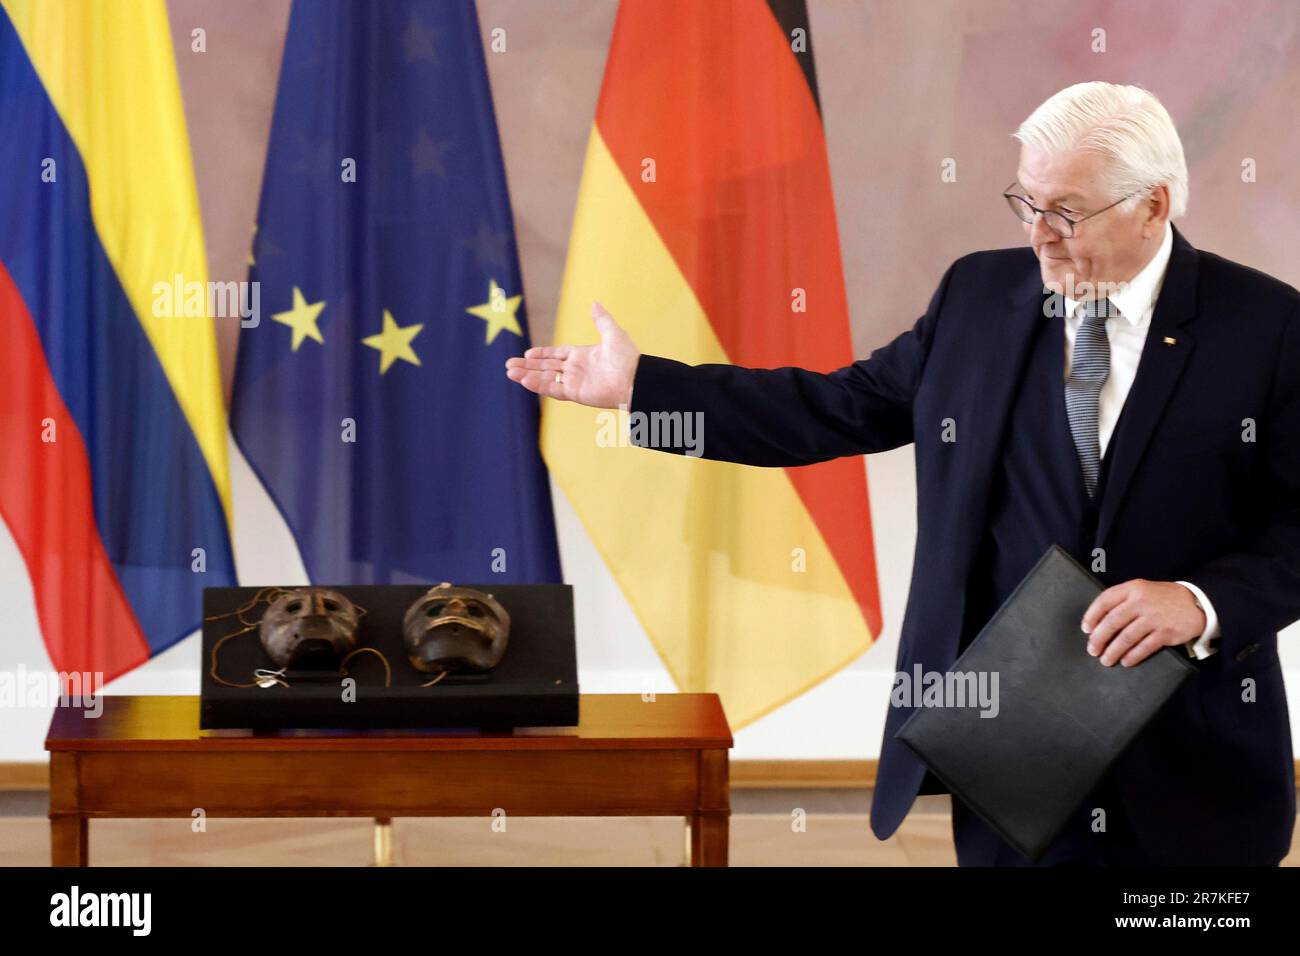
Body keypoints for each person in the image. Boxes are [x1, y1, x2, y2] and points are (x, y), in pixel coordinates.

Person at [506, 82, 1300, 866]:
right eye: (1025, 203)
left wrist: (1201, 605)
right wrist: (644, 388)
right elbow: (836, 408)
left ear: (1153, 206)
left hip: (1191, 763)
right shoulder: (978, 295)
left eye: (1066, 211)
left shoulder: (1268, 327)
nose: (1040, 237)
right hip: (1007, 749)